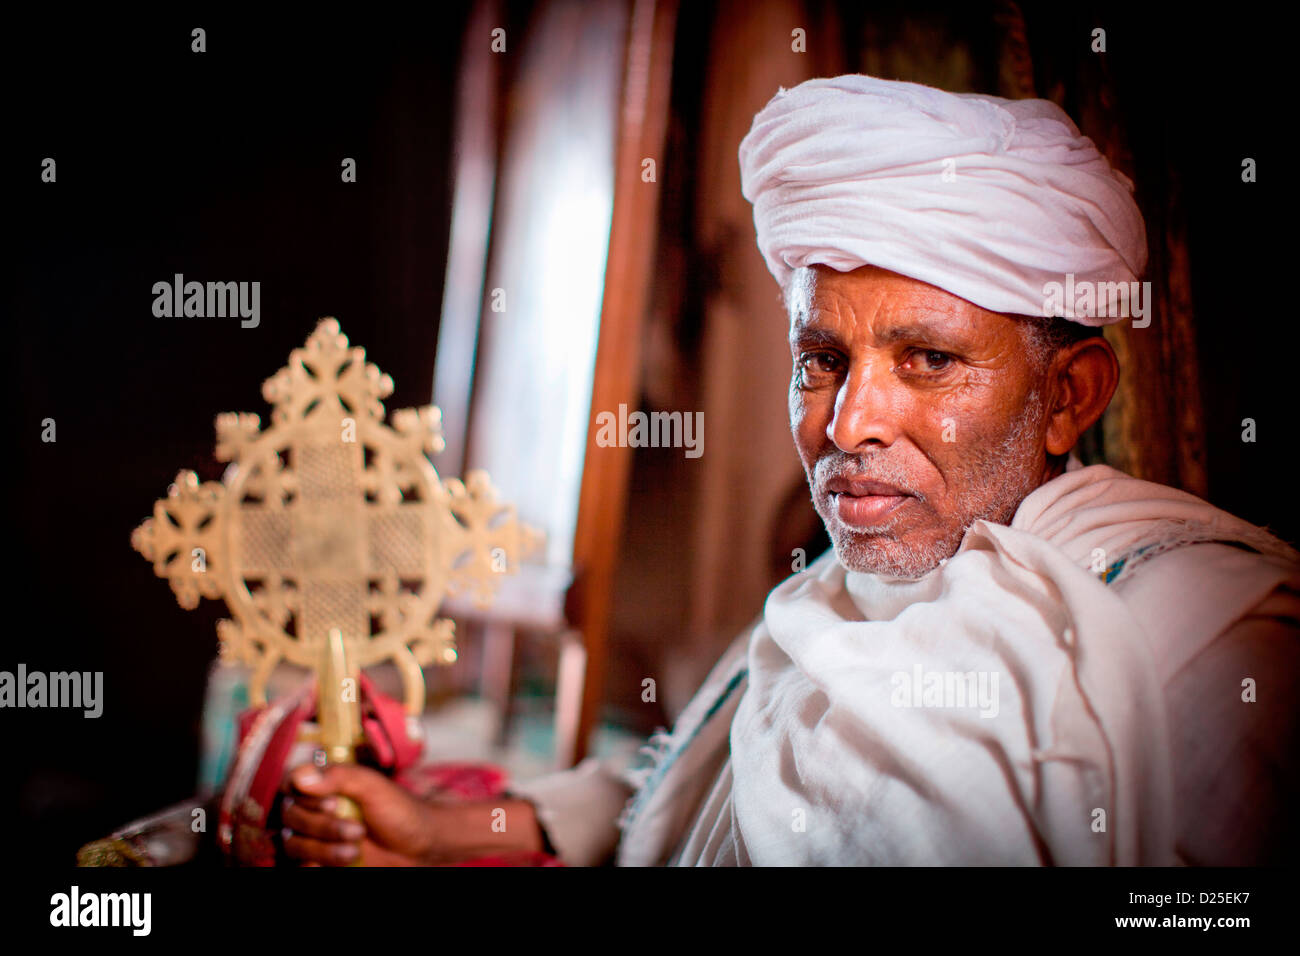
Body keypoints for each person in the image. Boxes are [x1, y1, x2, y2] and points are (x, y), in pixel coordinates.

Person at [280, 74, 1300, 866]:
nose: (847, 420)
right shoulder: (833, 591)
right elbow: (675, 781)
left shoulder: (1204, 633)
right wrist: (448, 830)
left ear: (1069, 395)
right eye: (822, 361)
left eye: (929, 360)